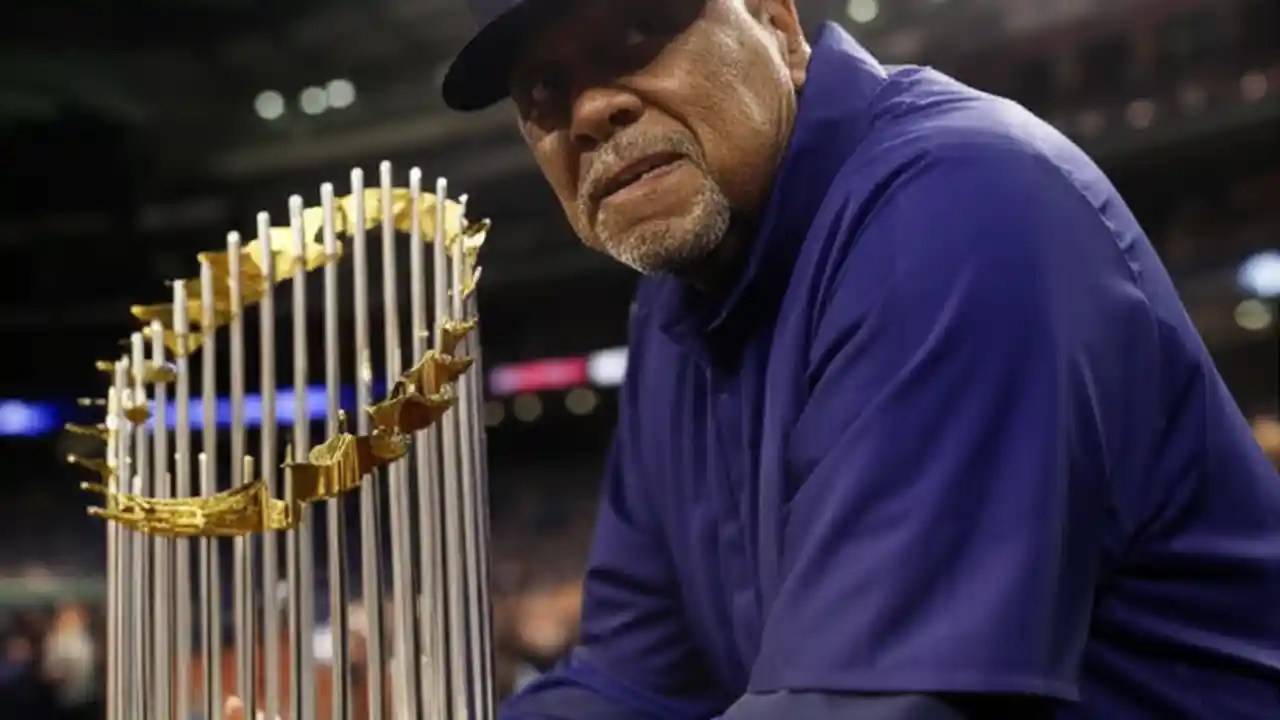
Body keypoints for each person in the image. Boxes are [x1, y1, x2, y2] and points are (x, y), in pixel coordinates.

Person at [440, 1, 1280, 718]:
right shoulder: (673, 306)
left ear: (777, 23)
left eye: (636, 32)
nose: (587, 112)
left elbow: (874, 706)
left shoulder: (960, 207)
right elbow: (635, 685)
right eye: (543, 93)